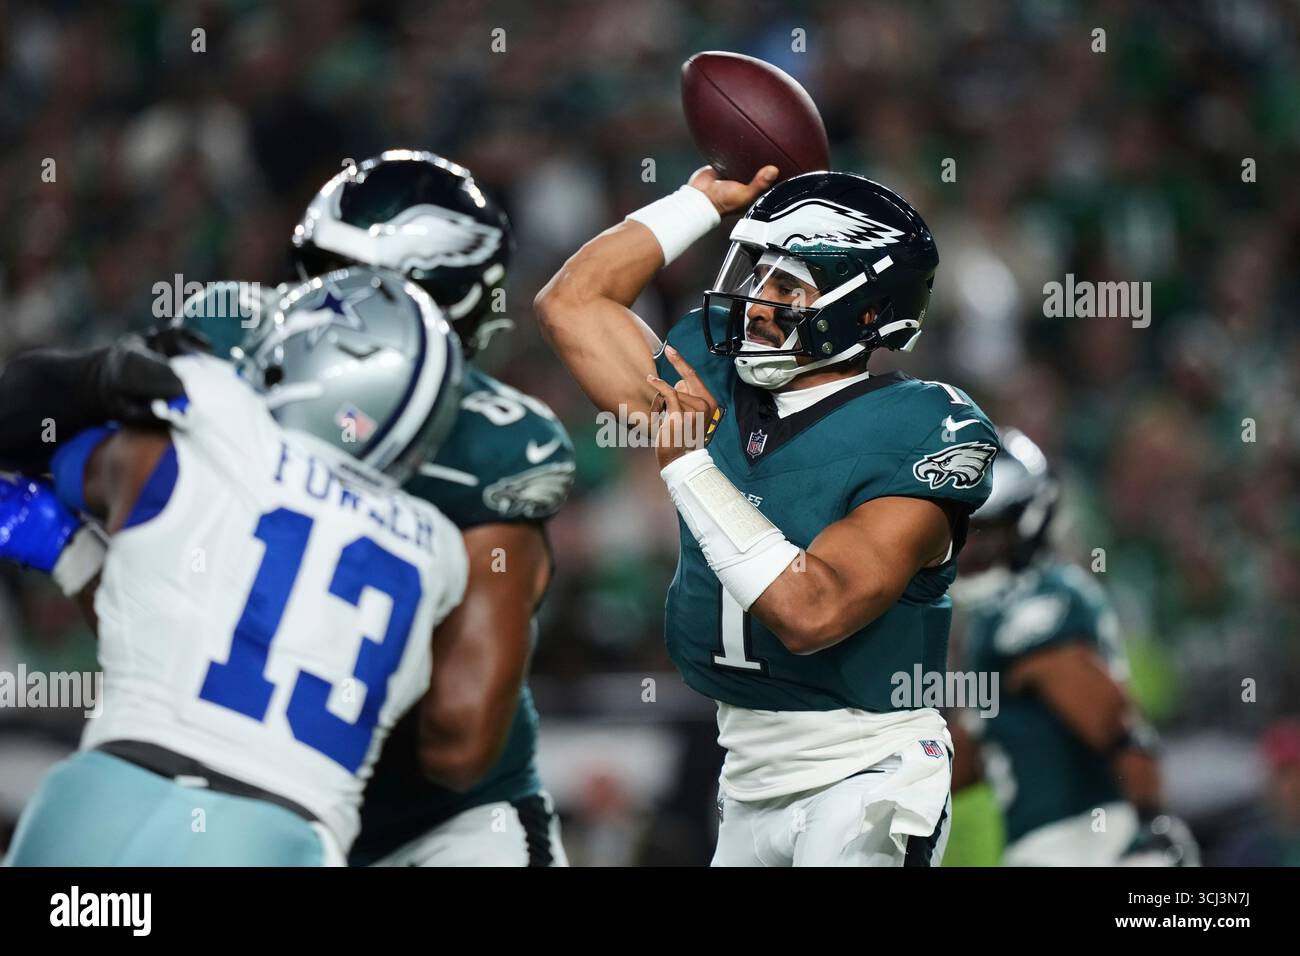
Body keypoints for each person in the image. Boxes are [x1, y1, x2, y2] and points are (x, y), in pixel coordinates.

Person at [535, 164, 998, 866]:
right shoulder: (710, 378)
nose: (754, 301)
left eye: (786, 286)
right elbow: (572, 301)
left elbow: (810, 610)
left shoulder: (923, 427)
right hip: (745, 775)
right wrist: (696, 203)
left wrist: (688, 466)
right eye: (758, 277)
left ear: (862, 310)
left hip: (865, 768)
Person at [0, 267, 467, 865]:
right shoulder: (439, 553)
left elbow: (29, 422)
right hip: (277, 837)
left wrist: (100, 382)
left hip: (101, 798)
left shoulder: (213, 411)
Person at [292, 151, 575, 866]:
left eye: (349, 284)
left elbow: (458, 745)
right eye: (321, 276)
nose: (319, 305)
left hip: (437, 829)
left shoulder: (492, 444)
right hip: (275, 805)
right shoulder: (235, 382)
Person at [950, 427, 1198, 866]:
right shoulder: (995, 618)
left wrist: (1152, 819)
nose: (970, 550)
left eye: (986, 532)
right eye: (965, 533)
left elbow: (1114, 722)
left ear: (1027, 521)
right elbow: (973, 753)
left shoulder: (1032, 602)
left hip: (1086, 845)